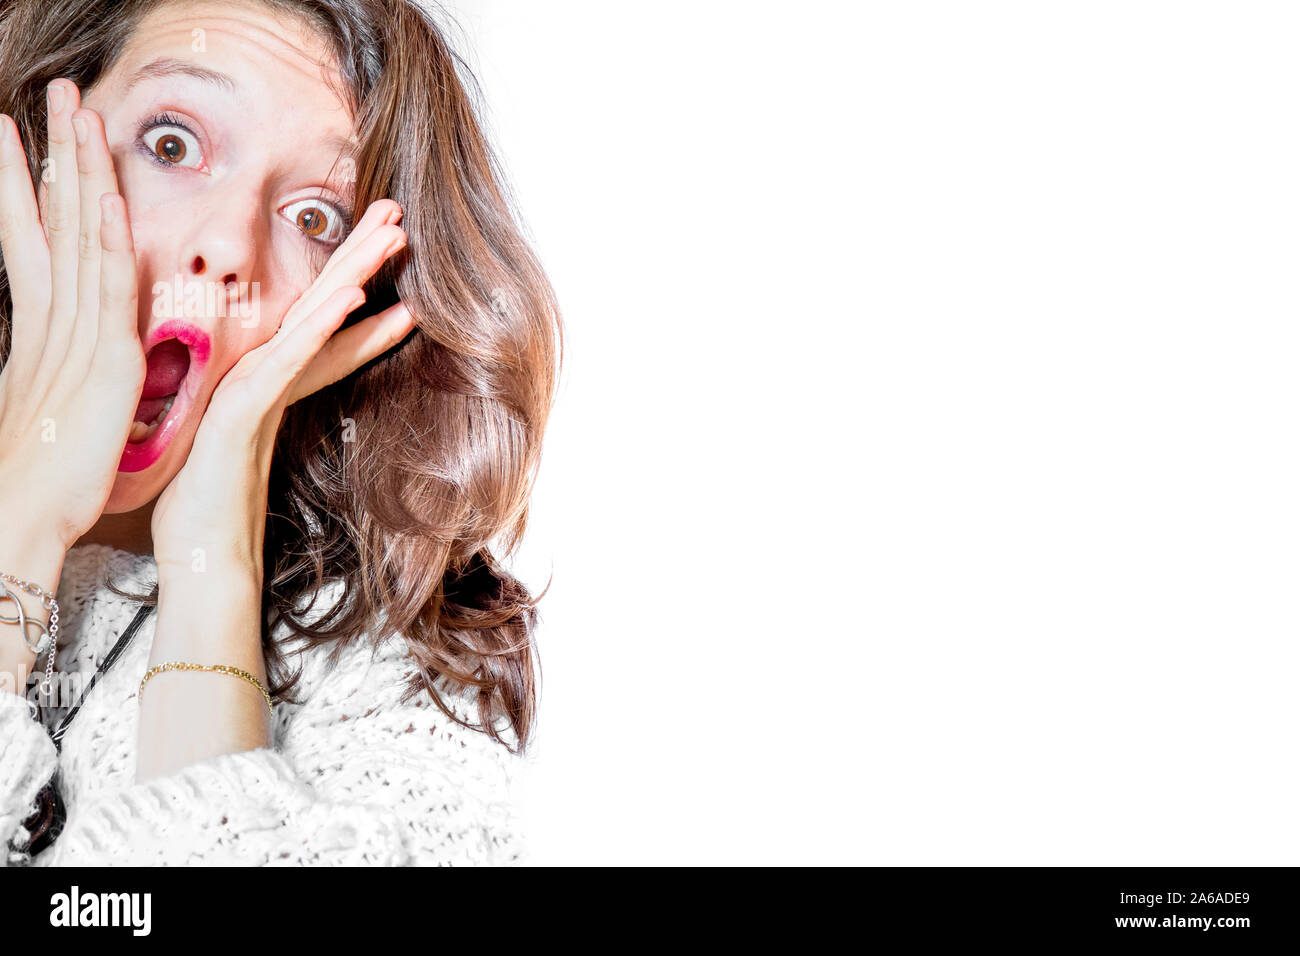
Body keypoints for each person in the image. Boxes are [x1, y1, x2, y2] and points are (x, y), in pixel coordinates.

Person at [0, 0, 560, 865]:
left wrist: (212, 573)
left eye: (312, 218)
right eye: (172, 144)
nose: (227, 247)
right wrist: (21, 517)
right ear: (37, 146)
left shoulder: (403, 683)